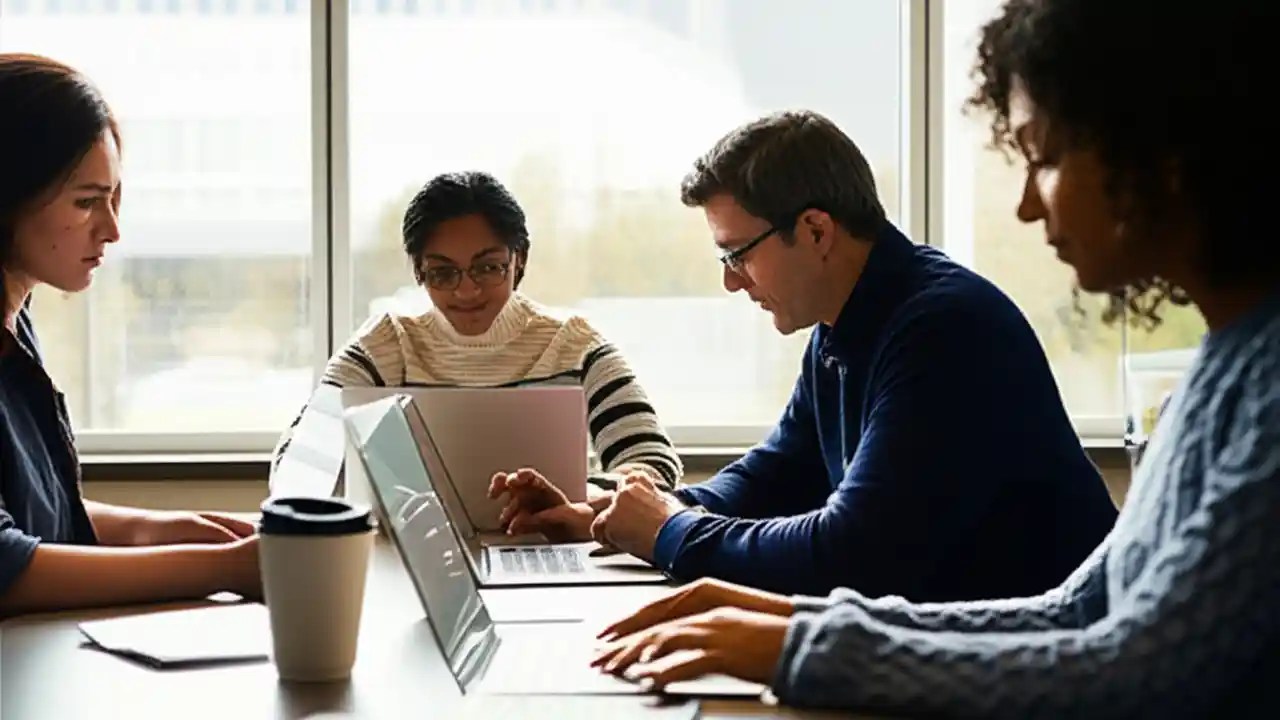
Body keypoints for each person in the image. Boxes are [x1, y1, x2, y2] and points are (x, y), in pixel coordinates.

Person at [589, 0, 1280, 716]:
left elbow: (1142, 670)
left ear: (1158, 152)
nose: (1026, 208)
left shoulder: (947, 326)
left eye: (1041, 157)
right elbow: (1074, 611)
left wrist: (772, 624)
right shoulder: (1225, 363)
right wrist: (793, 623)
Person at [495, 109, 1116, 601]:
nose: (731, 281)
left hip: (1051, 674)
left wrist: (666, 531)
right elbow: (776, 474)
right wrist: (617, 512)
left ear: (817, 232)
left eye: (738, 253)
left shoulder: (942, 329)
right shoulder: (841, 326)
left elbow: (851, 553)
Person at [0, 53, 260, 617]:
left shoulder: (14, 320)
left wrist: (174, 531)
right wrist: (229, 569)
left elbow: (40, 514)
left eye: (114, 199)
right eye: (88, 202)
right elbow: (6, 568)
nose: (112, 230)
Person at [275, 171, 682, 525]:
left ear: (518, 260)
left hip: (551, 549)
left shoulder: (574, 345)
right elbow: (298, 465)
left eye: (488, 267)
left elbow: (653, 465)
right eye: (443, 272)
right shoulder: (384, 346)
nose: (466, 290)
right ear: (419, 271)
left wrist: (576, 502)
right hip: (410, 559)